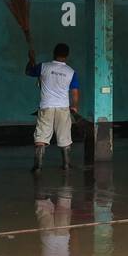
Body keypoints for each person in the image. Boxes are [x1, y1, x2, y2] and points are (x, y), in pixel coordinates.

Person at [26, 43, 81, 173]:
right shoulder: (71, 72)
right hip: (63, 108)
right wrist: (75, 106)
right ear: (67, 56)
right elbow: (74, 92)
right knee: (65, 137)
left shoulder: (43, 67)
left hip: (46, 107)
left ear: (54, 53)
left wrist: (30, 60)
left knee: (41, 137)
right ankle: (66, 164)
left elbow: (28, 71)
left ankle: (38, 166)